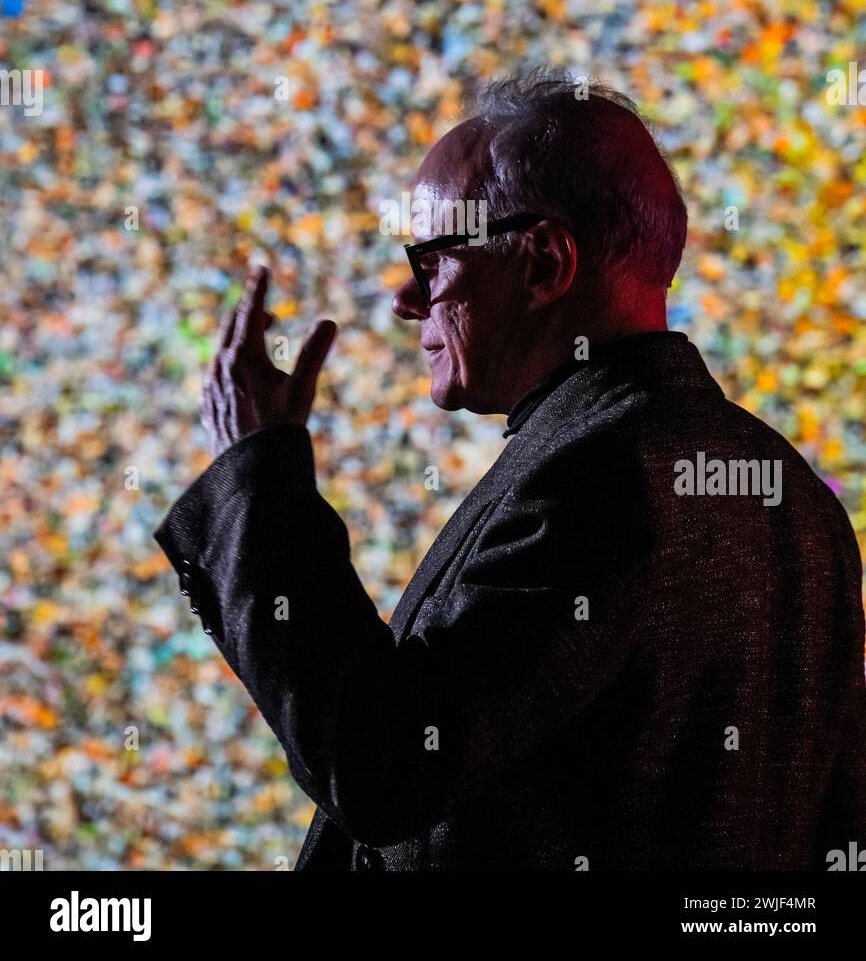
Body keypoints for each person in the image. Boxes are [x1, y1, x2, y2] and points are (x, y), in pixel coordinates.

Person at [154, 71, 866, 871]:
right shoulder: (800, 501)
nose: (405, 298)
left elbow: (384, 768)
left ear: (542, 264)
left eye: (431, 262)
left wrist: (258, 482)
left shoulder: (599, 480)